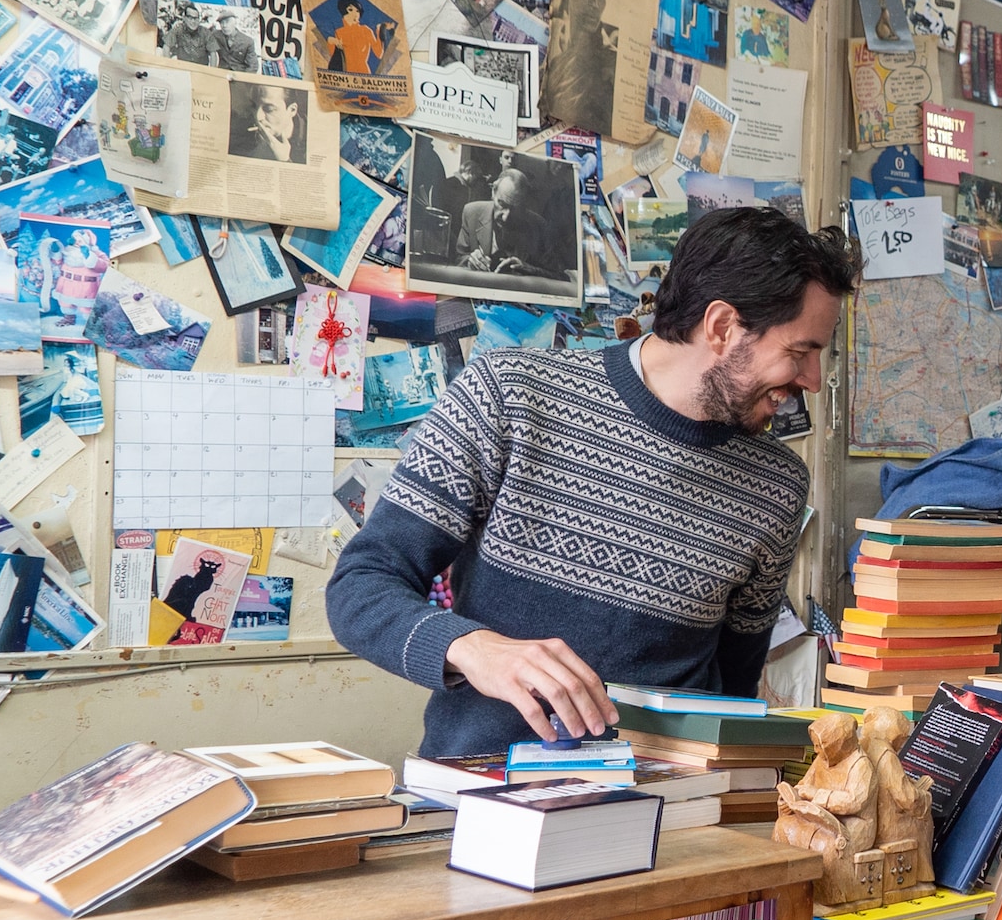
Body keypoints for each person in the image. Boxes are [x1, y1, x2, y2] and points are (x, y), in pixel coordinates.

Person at [328, 206, 857, 757]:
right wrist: (471, 647)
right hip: (485, 798)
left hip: (672, 813)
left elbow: (734, 683)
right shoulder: (509, 395)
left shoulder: (778, 484)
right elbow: (361, 586)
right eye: (800, 353)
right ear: (722, 327)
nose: (813, 382)